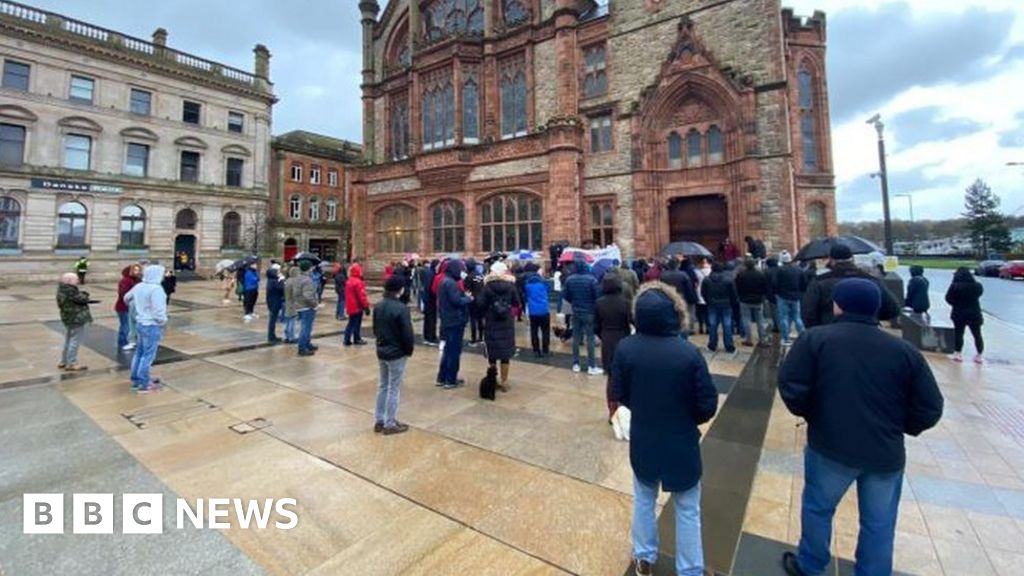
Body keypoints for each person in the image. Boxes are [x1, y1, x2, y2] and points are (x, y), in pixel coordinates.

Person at [778, 278, 943, 576]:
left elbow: (792, 386)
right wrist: (898, 425)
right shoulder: (904, 352)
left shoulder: (816, 339)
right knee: (879, 524)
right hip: (884, 451)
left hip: (830, 444)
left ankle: (810, 566)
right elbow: (930, 408)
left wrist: (813, 414)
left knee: (818, 508)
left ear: (838, 305)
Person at [611, 282, 719, 576]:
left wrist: (644, 408)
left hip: (645, 435)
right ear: (675, 313)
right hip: (680, 438)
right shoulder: (688, 353)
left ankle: (644, 558)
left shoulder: (626, 348)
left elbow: (618, 391)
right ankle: (690, 569)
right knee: (687, 508)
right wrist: (687, 418)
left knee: (644, 499)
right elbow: (707, 403)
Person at [802, 245, 900, 328]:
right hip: (866, 331)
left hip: (829, 332)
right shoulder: (871, 280)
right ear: (852, 258)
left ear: (831, 260)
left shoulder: (820, 282)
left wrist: (817, 332)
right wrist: (873, 317)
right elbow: (892, 309)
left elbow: (808, 312)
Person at [373, 275, 415, 435]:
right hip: (396, 352)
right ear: (400, 289)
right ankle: (390, 423)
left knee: (383, 385)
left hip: (382, 350)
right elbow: (407, 334)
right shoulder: (401, 308)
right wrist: (408, 350)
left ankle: (379, 419)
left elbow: (376, 329)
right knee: (394, 388)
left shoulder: (378, 305)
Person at [124, 265, 169, 392]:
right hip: (151, 324)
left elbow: (126, 298)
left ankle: (136, 378)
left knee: (139, 352)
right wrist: (163, 322)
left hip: (140, 323)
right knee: (148, 355)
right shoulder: (156, 289)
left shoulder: (139, 286)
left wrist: (138, 310)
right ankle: (144, 383)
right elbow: (158, 312)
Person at [596, 275, 633, 421]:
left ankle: (612, 411)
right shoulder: (626, 303)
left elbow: (595, 326)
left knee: (611, 378)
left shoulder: (599, 303)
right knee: (625, 375)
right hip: (623, 338)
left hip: (607, 339)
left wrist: (603, 334)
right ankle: (625, 408)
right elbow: (631, 322)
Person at [480, 261, 520, 392]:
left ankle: (493, 380)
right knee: (505, 354)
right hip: (506, 321)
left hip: (491, 321)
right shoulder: (511, 286)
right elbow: (517, 303)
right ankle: (504, 381)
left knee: (492, 353)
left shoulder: (487, 287)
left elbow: (481, 304)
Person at [563, 255, 602, 375]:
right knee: (589, 339)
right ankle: (591, 366)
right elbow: (597, 296)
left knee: (576, 338)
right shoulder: (592, 280)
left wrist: (575, 302)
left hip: (576, 311)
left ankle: (576, 364)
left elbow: (566, 296)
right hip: (589, 312)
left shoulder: (570, 279)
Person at [437, 260, 472, 389]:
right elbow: (456, 301)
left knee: (447, 350)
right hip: (454, 321)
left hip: (447, 320)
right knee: (454, 352)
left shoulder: (444, 281)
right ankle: (450, 379)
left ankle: (442, 377)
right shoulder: (451, 283)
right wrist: (468, 299)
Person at [945, 267, 985, 364]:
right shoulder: (977, 286)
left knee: (959, 333)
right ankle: (979, 355)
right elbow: (979, 294)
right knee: (977, 334)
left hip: (959, 313)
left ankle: (958, 353)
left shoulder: (955, 286)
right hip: (974, 313)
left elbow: (948, 298)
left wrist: (956, 304)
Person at [56, 272, 93, 372]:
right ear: (69, 281)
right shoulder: (70, 291)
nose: (78, 281)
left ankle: (64, 361)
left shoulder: (62, 289)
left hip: (69, 318)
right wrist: (85, 294)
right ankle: (72, 362)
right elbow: (82, 298)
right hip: (76, 318)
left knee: (69, 339)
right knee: (75, 340)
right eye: (76, 279)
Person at [701, 262, 739, 353]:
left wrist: (708, 301)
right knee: (727, 325)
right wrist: (732, 302)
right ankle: (729, 346)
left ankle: (712, 345)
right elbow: (733, 294)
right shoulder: (728, 280)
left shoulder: (706, 280)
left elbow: (703, 293)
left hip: (712, 305)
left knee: (712, 325)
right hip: (726, 304)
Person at [774, 251, 808, 345]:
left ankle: (786, 338)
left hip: (783, 296)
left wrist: (776, 292)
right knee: (797, 317)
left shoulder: (780, 270)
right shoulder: (799, 269)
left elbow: (775, 283)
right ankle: (803, 336)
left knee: (783, 317)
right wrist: (801, 293)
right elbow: (804, 283)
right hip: (796, 296)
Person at [735, 258, 769, 347]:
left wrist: (740, 295)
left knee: (746, 320)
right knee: (760, 320)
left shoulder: (741, 275)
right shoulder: (760, 275)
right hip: (757, 300)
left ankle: (748, 339)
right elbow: (765, 287)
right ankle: (763, 339)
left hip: (745, 300)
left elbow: (737, 287)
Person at [659, 259, 698, 333]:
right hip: (682, 298)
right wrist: (691, 298)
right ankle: (684, 332)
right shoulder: (683, 274)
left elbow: (661, 288)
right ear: (677, 265)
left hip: (668, 298)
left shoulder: (663, 275)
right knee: (683, 316)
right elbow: (689, 288)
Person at [524, 265, 551, 358]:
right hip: (544, 310)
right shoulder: (544, 283)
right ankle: (545, 349)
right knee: (545, 331)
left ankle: (536, 349)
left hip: (533, 311)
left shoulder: (527, 285)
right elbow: (549, 290)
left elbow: (526, 296)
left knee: (534, 330)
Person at [294, 260, 320, 356]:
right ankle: (302, 348)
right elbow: (308, 296)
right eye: (311, 267)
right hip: (306, 307)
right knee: (305, 328)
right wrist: (315, 305)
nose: (313, 269)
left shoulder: (298, 277)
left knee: (307, 327)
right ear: (308, 268)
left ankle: (307, 344)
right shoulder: (307, 280)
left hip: (299, 305)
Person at [115, 264, 141, 351]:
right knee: (126, 325)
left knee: (129, 325)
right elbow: (124, 294)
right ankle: (124, 342)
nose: (138, 272)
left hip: (131, 307)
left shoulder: (136, 280)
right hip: (124, 307)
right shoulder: (126, 281)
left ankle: (127, 341)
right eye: (135, 270)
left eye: (138, 270)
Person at [344, 262, 370, 346]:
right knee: (357, 323)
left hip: (350, 306)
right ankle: (357, 338)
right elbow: (362, 296)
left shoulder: (349, 281)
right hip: (357, 306)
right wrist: (366, 307)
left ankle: (347, 339)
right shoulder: (358, 282)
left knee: (351, 323)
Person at [466, 259, 486, 346]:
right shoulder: (481, 276)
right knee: (480, 319)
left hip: (473, 300)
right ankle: (481, 338)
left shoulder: (469, 277)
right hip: (482, 299)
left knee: (473, 320)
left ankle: (473, 339)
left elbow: (467, 290)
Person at [421, 260, 439, 345]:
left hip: (430, 300)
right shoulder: (430, 274)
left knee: (430, 319)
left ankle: (429, 336)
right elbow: (428, 288)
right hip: (430, 300)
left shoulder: (431, 273)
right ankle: (430, 338)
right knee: (430, 319)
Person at [266, 263, 286, 344]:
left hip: (272, 302)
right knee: (272, 320)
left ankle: (272, 335)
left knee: (273, 320)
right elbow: (281, 289)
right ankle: (271, 337)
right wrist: (281, 280)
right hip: (274, 302)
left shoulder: (271, 280)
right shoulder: (274, 281)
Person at [282, 266, 300, 345]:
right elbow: (295, 294)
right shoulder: (294, 282)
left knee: (287, 321)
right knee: (292, 321)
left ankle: (286, 336)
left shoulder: (287, 281)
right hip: (293, 304)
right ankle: (291, 337)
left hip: (287, 303)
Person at [763, 257, 781, 333]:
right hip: (781, 293)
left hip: (770, 294)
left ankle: (777, 326)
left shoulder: (766, 271)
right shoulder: (781, 270)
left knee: (774, 311)